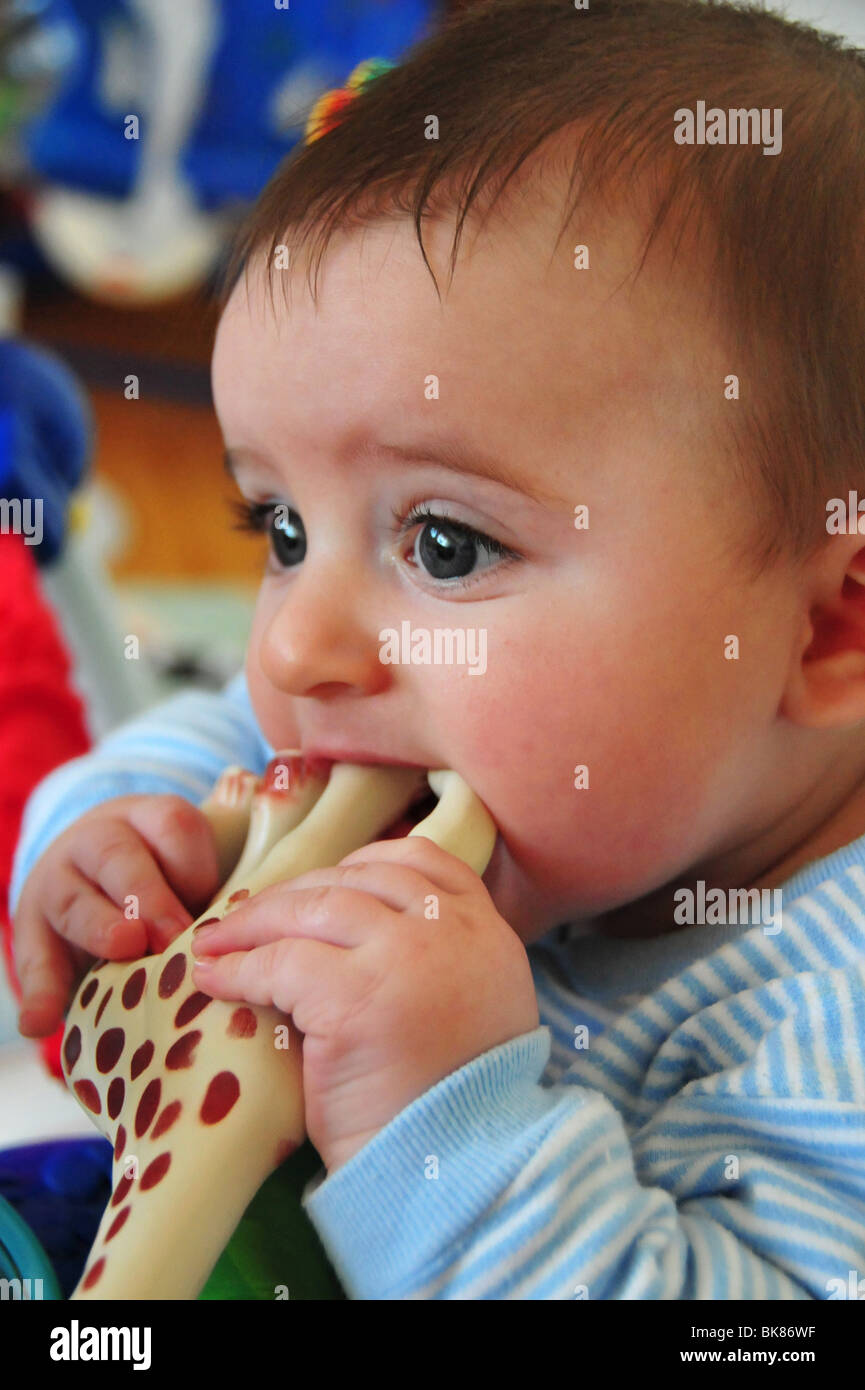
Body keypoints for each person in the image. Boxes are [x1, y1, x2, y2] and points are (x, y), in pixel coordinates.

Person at [9, 0, 865, 1299]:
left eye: (448, 546)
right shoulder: (431, 745)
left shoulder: (828, 1037)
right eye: (281, 527)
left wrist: (445, 1121)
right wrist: (115, 834)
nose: (297, 644)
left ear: (824, 625)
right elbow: (204, 753)